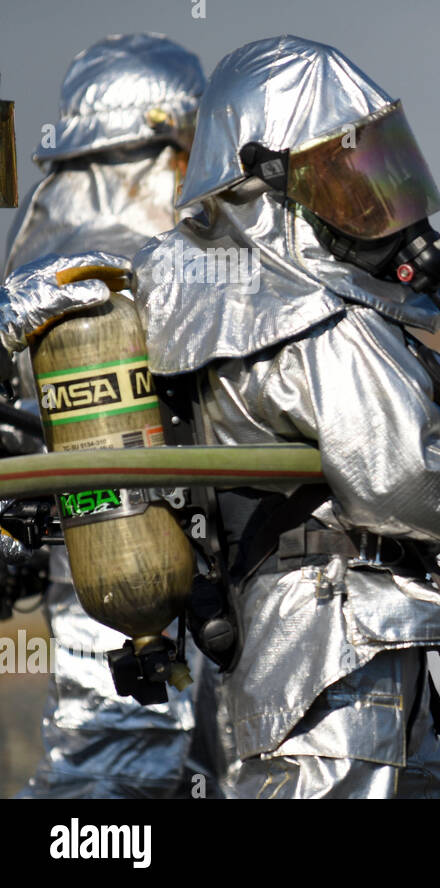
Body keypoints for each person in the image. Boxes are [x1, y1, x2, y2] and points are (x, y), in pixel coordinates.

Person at [4, 34, 440, 798]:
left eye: (377, 173)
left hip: (324, 676)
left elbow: (406, 419)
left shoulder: (215, 300)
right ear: (264, 188)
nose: (375, 207)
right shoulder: (313, 319)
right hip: (338, 680)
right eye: (341, 177)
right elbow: (406, 483)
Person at [0, 34, 215, 799]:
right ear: (164, 145)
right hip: (125, 582)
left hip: (120, 590)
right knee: (117, 781)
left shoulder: (35, 272)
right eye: (194, 152)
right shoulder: (162, 270)